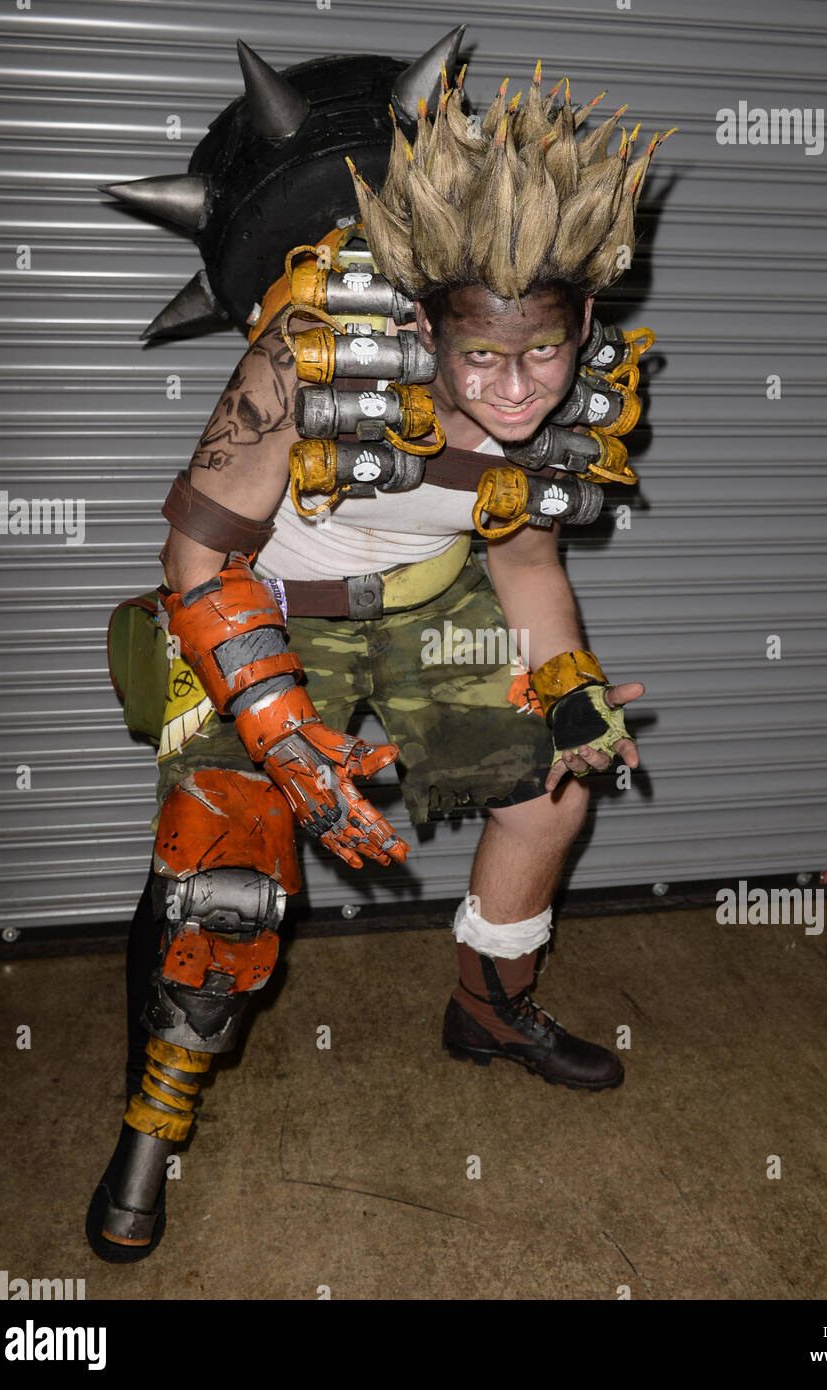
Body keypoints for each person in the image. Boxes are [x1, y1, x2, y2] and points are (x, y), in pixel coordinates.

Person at [87, 54, 673, 1262]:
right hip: (260, 608)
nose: (516, 392)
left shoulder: (563, 398)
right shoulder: (309, 356)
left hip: (422, 606)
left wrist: (567, 690)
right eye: (481, 361)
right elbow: (193, 559)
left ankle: (486, 1008)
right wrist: (286, 735)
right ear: (420, 324)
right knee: (225, 880)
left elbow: (519, 565)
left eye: (545, 355)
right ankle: (154, 1118)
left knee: (552, 788)